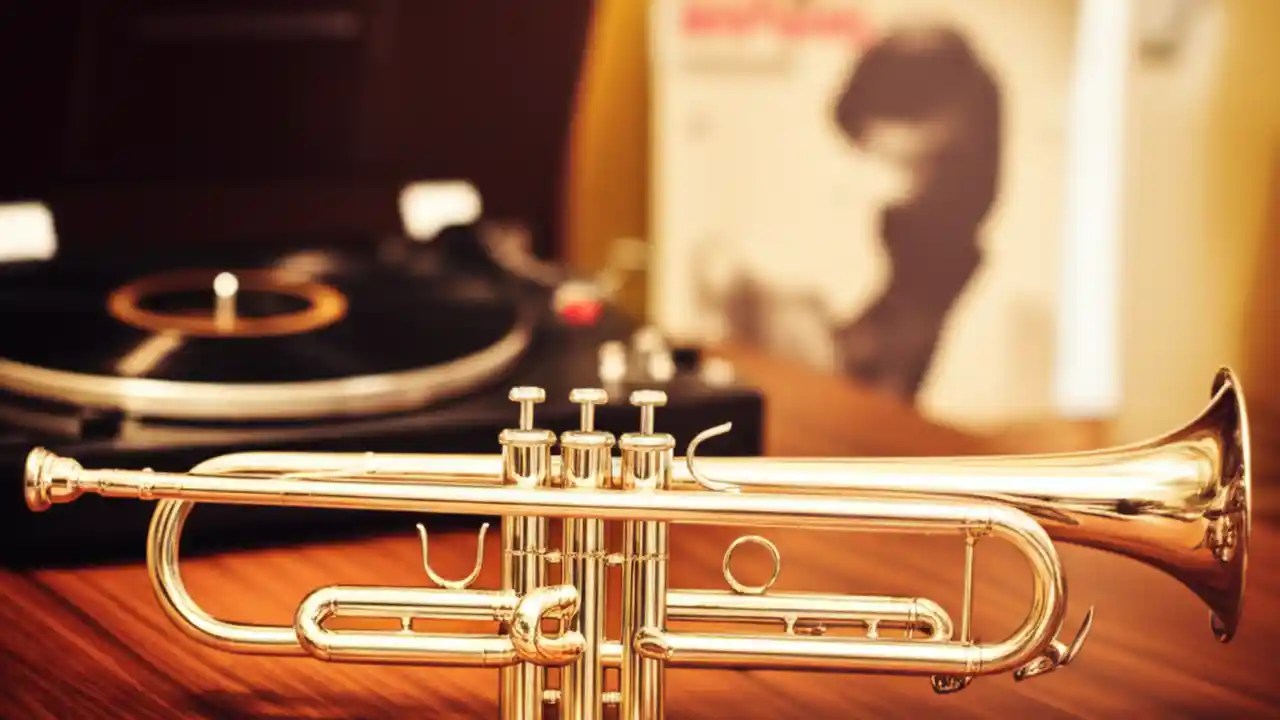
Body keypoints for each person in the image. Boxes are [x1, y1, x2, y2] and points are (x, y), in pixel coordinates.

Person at [832, 26, 1001, 399]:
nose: (899, 193)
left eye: (917, 166)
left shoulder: (989, 300)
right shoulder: (886, 253)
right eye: (881, 162)